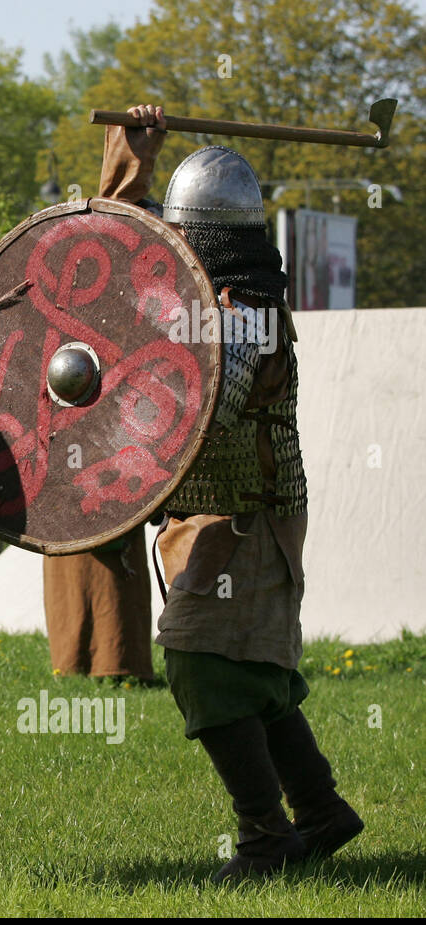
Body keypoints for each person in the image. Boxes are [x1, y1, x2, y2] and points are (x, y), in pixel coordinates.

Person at [99, 105, 362, 882]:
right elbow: (134, 253)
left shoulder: (245, 320)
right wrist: (138, 157)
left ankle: (265, 838)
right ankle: (320, 811)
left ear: (207, 241)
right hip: (236, 517)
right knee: (252, 672)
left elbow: (200, 408)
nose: (174, 249)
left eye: (185, 236)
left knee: (201, 662)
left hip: (250, 520)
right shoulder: (213, 303)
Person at [42, 529, 153, 682]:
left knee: (116, 596)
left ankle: (120, 666)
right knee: (71, 590)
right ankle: (73, 665)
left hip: (119, 524)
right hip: (63, 530)